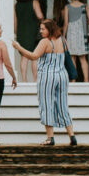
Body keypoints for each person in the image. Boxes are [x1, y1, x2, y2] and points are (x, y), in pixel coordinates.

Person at [12, 18, 77, 146]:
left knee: (46, 104)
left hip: (48, 76)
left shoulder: (45, 42)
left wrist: (18, 47)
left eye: (43, 29)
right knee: (63, 105)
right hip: (62, 75)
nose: (40, 31)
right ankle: (72, 136)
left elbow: (33, 56)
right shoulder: (63, 40)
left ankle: (50, 137)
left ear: (50, 29)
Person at [14, 0, 43, 81]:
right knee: (34, 57)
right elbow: (40, 16)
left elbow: (15, 21)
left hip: (21, 33)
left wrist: (16, 32)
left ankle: (24, 80)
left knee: (24, 56)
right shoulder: (34, 3)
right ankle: (35, 80)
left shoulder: (16, 5)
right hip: (33, 32)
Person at [64, 0, 89, 82]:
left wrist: (63, 36)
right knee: (83, 59)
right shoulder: (85, 6)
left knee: (72, 58)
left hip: (71, 34)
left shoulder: (67, 7)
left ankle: (73, 81)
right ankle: (86, 80)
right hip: (82, 34)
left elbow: (66, 23)